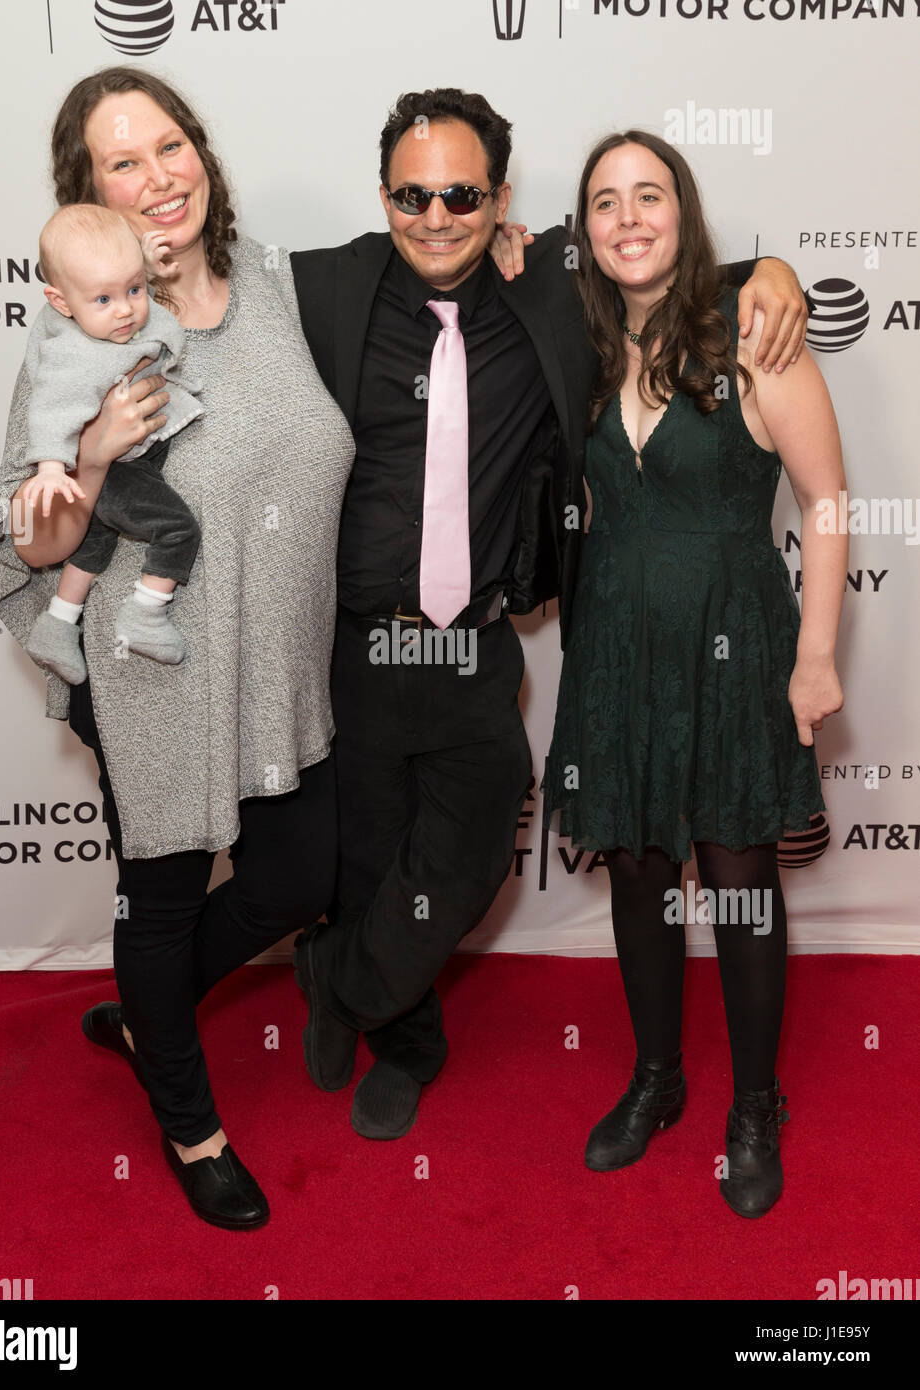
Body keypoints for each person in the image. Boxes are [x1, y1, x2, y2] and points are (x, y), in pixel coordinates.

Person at [289, 88, 809, 1142]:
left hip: (477, 636)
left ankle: (336, 981)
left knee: (475, 853)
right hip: (350, 635)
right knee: (368, 856)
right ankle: (404, 1040)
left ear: (500, 199)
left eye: (461, 193)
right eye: (412, 193)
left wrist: (772, 273)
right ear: (382, 193)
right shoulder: (322, 287)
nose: (436, 215)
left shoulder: (546, 286)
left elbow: (664, 265)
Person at [0, 67, 355, 1230]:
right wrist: (88, 455)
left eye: (171, 145)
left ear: (202, 153)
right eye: (122, 162)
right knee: (167, 892)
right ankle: (189, 1122)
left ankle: (151, 1009)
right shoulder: (86, 334)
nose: (159, 176)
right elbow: (24, 527)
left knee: (299, 875)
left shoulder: (278, 284)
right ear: (87, 195)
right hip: (153, 666)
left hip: (280, 653)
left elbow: (436, 263)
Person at [539, 130, 846, 1217]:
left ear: (685, 211)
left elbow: (824, 503)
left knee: (739, 880)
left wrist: (815, 656)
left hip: (734, 643)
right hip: (614, 648)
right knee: (634, 869)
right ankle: (658, 1077)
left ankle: (754, 1102)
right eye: (605, 202)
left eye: (650, 196)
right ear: (582, 230)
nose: (628, 217)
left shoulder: (755, 335)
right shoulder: (573, 344)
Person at [22, 205, 204, 684]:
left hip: (127, 463)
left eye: (135, 290)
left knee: (95, 542)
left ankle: (57, 624)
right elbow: (51, 409)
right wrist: (51, 467)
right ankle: (146, 613)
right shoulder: (72, 353)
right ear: (61, 303)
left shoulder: (111, 316)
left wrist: (142, 263)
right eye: (103, 299)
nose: (125, 310)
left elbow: (116, 279)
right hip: (117, 470)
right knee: (177, 527)